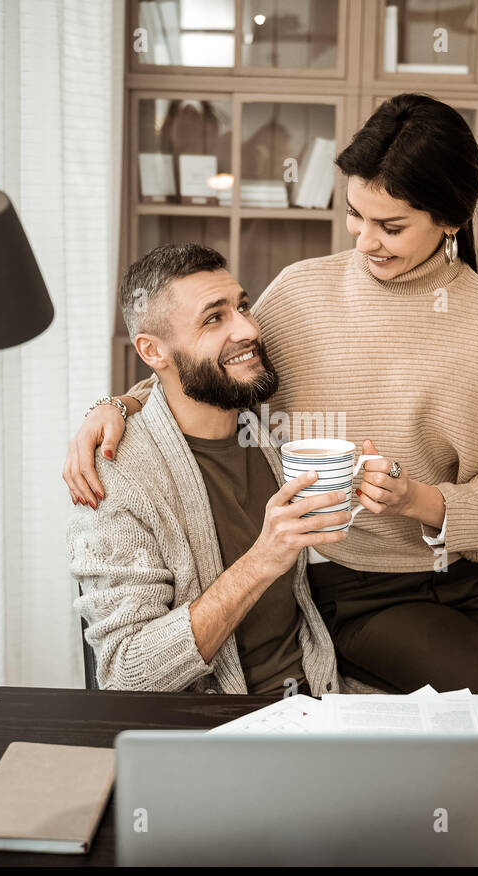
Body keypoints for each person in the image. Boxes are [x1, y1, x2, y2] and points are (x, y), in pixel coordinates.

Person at [65, 94, 478, 703]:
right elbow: (215, 365)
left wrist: (416, 500)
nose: (366, 241)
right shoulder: (302, 295)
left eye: (391, 226)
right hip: (359, 585)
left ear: (451, 220)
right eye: (355, 215)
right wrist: (116, 405)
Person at [67, 243, 351, 696]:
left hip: (321, 690)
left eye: (242, 306)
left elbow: (180, 379)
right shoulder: (115, 475)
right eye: (214, 318)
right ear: (152, 350)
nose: (248, 329)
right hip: (215, 725)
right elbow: (124, 675)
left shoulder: (263, 425)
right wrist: (261, 562)